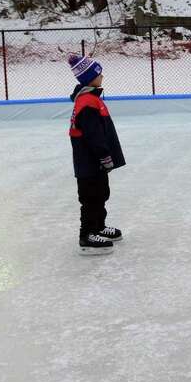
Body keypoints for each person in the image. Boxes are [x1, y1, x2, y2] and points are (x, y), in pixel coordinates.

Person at [67, 53, 126, 256]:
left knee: (100, 193)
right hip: (89, 161)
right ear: (88, 78)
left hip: (94, 162)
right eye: (99, 74)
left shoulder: (90, 99)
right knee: (91, 197)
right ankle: (87, 235)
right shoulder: (87, 102)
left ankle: (99, 227)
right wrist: (104, 156)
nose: (102, 77)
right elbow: (94, 136)